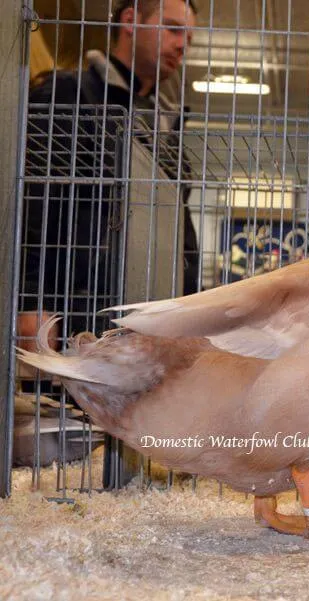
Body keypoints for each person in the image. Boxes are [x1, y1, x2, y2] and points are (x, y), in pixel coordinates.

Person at [17, 0, 200, 477]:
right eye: (173, 29)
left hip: (141, 314)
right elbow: (31, 200)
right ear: (130, 20)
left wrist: (190, 309)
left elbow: (179, 226)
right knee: (61, 456)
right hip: (70, 308)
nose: (183, 44)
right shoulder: (69, 94)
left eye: (189, 36)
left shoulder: (164, 120)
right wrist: (29, 299)